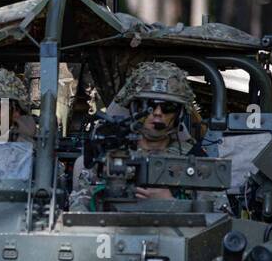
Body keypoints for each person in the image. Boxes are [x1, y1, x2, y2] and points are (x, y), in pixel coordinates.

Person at [68, 62, 203, 211]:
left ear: (179, 114)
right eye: (149, 105)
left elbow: (217, 215)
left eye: (167, 107)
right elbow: (79, 208)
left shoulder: (195, 159)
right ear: (134, 108)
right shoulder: (108, 154)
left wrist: (169, 203)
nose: (157, 113)